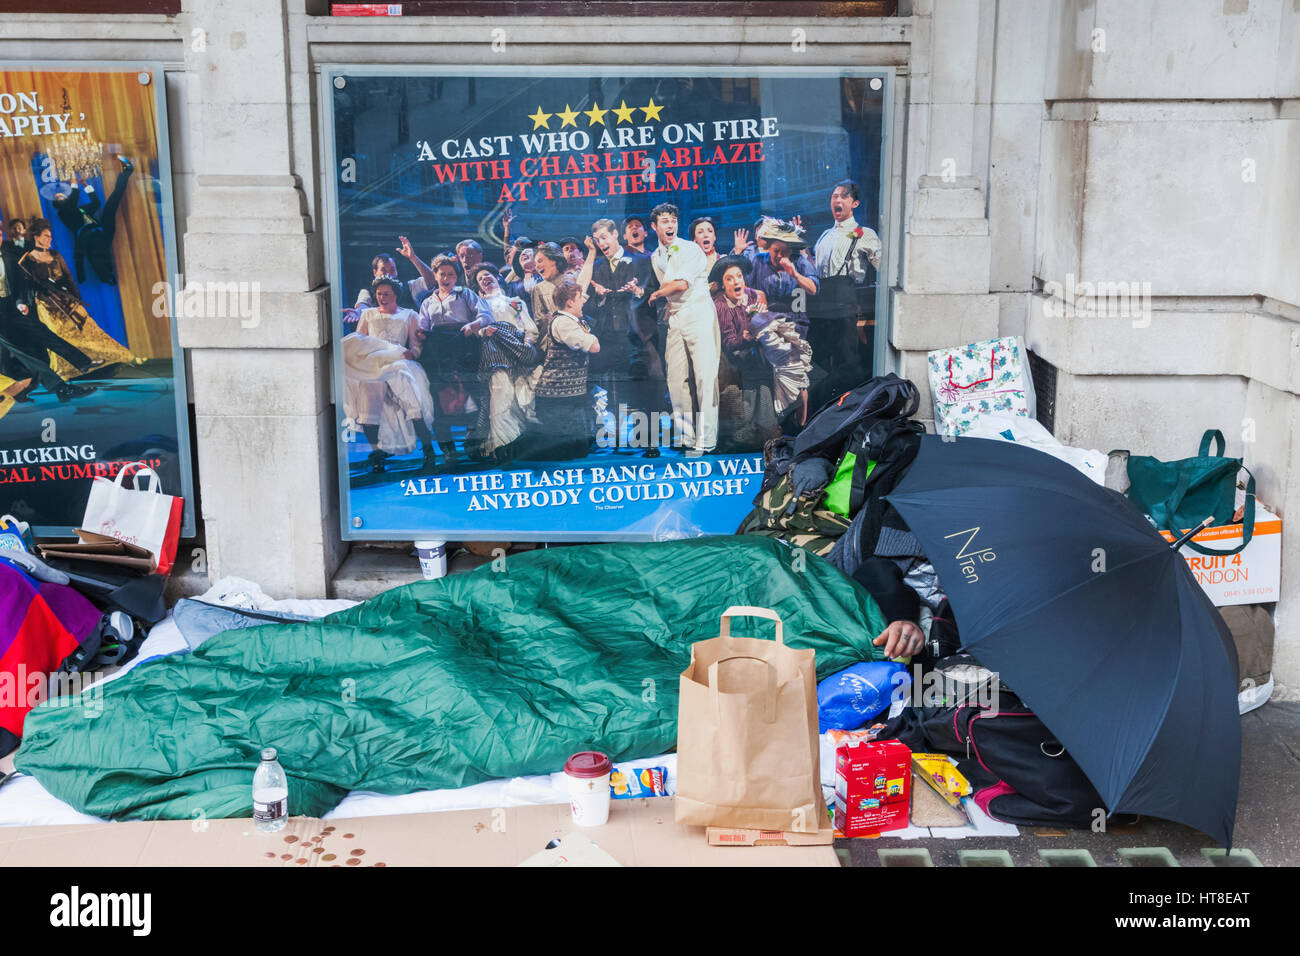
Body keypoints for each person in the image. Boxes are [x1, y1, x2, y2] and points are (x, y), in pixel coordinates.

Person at [18, 218, 137, 380]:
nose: (49, 239)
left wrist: (77, 299)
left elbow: (68, 278)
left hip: (67, 301)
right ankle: (70, 371)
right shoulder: (27, 260)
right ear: (36, 237)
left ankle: (105, 363)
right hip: (48, 306)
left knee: (89, 332)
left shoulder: (56, 255)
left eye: (50, 236)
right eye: (46, 236)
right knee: (60, 337)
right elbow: (26, 287)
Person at [646, 202, 720, 456]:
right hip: (675, 318)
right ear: (654, 226)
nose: (670, 225)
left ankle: (707, 440)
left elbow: (680, 284)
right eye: (664, 221)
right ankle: (687, 437)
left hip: (699, 314)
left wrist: (656, 294)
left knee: (704, 378)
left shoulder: (691, 249)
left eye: (673, 220)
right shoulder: (655, 256)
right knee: (676, 379)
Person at [343, 276, 438, 472]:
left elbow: (415, 346)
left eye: (386, 294)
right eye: (379, 294)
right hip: (374, 364)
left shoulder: (409, 315)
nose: (382, 297)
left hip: (398, 361)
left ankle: (429, 452)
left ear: (396, 294)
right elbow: (360, 342)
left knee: (412, 397)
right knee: (369, 401)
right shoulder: (368, 314)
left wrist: (411, 353)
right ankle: (377, 455)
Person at [576, 219, 654, 452]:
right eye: (597, 239)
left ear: (615, 235)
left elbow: (652, 296)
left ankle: (648, 441)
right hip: (607, 337)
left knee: (640, 388)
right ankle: (617, 437)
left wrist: (637, 292)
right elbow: (585, 306)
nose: (601, 243)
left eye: (604, 237)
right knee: (613, 389)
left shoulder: (642, 261)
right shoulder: (597, 266)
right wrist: (599, 297)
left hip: (635, 335)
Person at [0, 218, 92, 401]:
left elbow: (18, 284)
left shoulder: (9, 256)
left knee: (40, 332)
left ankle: (82, 362)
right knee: (19, 351)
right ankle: (59, 387)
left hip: (9, 306)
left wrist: (20, 303)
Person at [417, 254, 495, 463]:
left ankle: (476, 444)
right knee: (438, 397)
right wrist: (420, 334)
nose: (446, 278)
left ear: (456, 277)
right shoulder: (427, 301)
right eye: (442, 274)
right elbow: (422, 327)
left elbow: (486, 315)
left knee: (472, 393)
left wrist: (473, 325)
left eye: (450, 274)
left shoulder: (465, 294)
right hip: (437, 351)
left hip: (463, 345)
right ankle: (448, 450)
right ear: (435, 275)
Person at [812, 179, 882, 400]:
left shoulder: (864, 233)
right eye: (834, 196)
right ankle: (822, 406)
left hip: (845, 300)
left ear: (855, 203)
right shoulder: (824, 236)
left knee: (846, 358)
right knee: (819, 358)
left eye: (843, 196)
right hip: (821, 304)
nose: (837, 200)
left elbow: (883, 266)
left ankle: (848, 406)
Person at [463, 264, 540, 462]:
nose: (485, 279)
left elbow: (530, 329)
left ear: (497, 277)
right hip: (495, 352)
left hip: (517, 349)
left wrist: (526, 345)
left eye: (487, 275)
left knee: (520, 397)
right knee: (501, 395)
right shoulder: (479, 304)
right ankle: (503, 446)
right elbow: (474, 330)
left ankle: (519, 445)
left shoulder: (515, 301)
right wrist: (483, 332)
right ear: (479, 287)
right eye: (480, 279)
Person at [528, 278, 599, 461]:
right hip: (557, 398)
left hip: (568, 397)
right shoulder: (563, 323)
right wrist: (590, 336)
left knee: (578, 449)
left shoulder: (574, 320)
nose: (583, 300)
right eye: (579, 297)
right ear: (569, 303)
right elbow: (594, 346)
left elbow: (589, 333)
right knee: (564, 453)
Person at [50, 156, 134, 285]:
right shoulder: (63, 214)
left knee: (111, 204)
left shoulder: (80, 210)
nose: (62, 196)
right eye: (59, 197)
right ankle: (107, 277)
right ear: (58, 204)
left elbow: (96, 203)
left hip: (102, 231)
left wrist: (86, 185)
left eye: (62, 195)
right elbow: (72, 203)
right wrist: (73, 183)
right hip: (90, 239)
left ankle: (127, 172)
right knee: (97, 258)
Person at [749, 218, 820, 340]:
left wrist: (795, 275)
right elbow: (744, 287)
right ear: (768, 248)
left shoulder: (799, 261)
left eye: (785, 252)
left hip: (795, 322)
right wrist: (757, 293)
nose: (779, 256)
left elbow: (813, 289)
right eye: (776, 251)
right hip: (766, 322)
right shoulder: (758, 261)